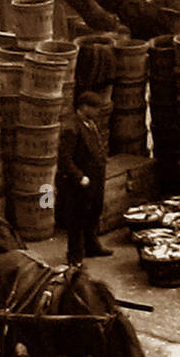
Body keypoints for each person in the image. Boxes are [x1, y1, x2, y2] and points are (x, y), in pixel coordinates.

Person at [56, 92, 112, 265]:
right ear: (83, 107)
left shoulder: (90, 124)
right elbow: (64, 159)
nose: (98, 111)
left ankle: (92, 245)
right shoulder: (72, 128)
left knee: (94, 211)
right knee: (77, 218)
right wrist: (79, 177)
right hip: (80, 181)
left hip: (95, 177)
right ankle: (74, 256)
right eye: (94, 108)